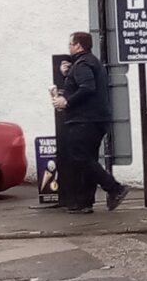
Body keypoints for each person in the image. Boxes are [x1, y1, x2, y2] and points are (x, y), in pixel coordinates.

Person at [51, 30, 126, 213]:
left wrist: (66, 101)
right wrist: (67, 74)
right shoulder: (87, 62)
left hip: (85, 120)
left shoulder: (83, 64)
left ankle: (115, 188)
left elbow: (87, 87)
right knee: (88, 160)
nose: (69, 47)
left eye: (70, 44)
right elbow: (80, 84)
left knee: (80, 158)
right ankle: (84, 202)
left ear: (78, 45)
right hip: (94, 119)